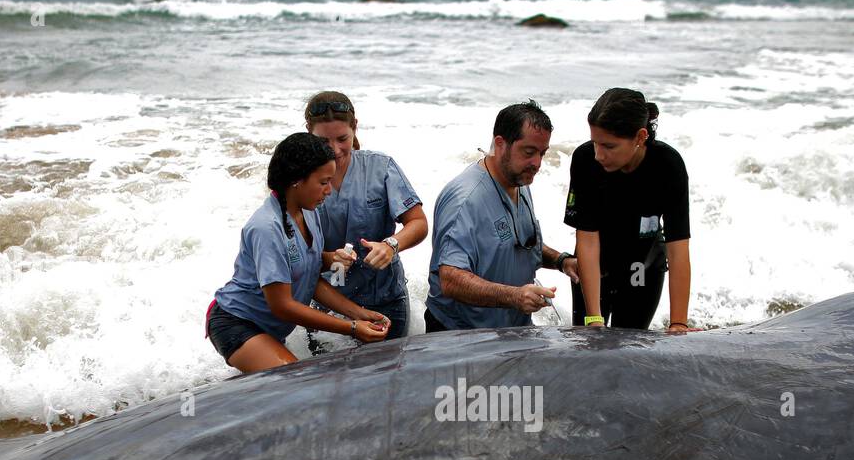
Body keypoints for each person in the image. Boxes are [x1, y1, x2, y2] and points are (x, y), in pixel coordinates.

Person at [204, 133, 389, 373]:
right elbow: (282, 306)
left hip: (268, 327)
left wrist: (360, 313)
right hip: (236, 322)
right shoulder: (267, 228)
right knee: (297, 383)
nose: (329, 190)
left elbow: (308, 277)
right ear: (296, 181)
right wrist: (352, 327)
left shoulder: (308, 212)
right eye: (323, 182)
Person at [424, 100, 579, 331]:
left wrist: (561, 261)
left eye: (542, 153)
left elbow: (517, 245)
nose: (537, 163)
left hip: (509, 331)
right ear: (500, 144)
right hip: (459, 336)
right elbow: (450, 278)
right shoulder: (465, 200)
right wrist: (515, 296)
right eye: (529, 152)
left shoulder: (519, 180)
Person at [564, 88, 692, 333]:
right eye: (595, 143)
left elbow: (678, 248)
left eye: (609, 146)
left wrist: (678, 323)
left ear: (640, 137)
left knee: (632, 350)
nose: (599, 155)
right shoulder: (585, 161)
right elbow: (588, 241)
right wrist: (594, 319)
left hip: (643, 266)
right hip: (595, 265)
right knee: (590, 349)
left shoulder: (668, 165)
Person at [305, 91, 428, 342]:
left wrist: (391, 245)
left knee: (390, 375)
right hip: (326, 304)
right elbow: (293, 254)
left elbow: (418, 223)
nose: (335, 150)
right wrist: (329, 258)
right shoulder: (300, 179)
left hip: (386, 300)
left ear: (355, 128)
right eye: (323, 141)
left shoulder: (380, 167)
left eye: (342, 139)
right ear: (308, 131)